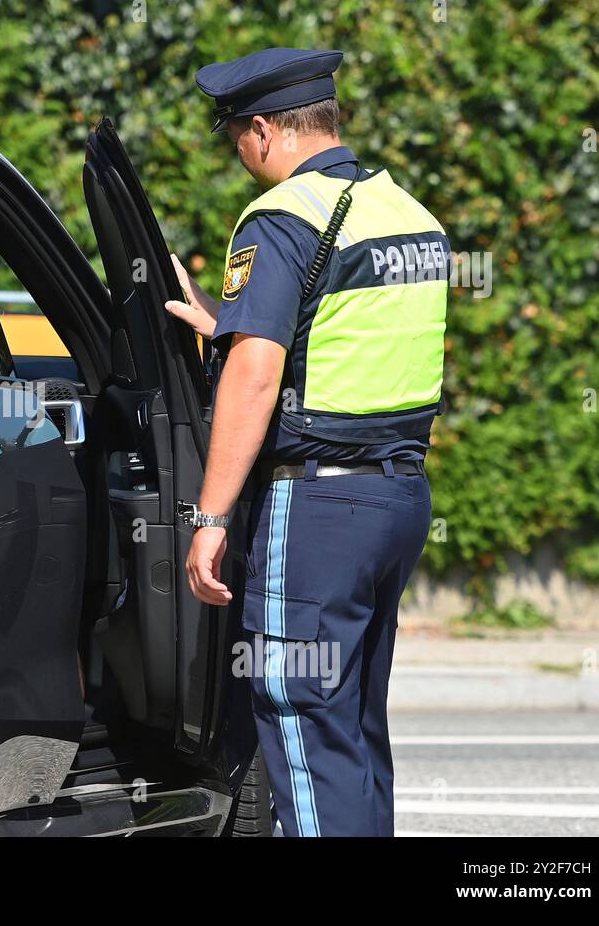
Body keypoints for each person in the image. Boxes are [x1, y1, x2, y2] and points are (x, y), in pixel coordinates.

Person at [165, 47, 449, 836]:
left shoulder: (284, 218)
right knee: (350, 728)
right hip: (396, 496)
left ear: (262, 131)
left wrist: (211, 517)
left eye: (235, 138)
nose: (239, 155)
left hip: (317, 503)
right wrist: (235, 326)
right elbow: (349, 345)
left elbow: (255, 381)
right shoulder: (409, 217)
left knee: (299, 722)